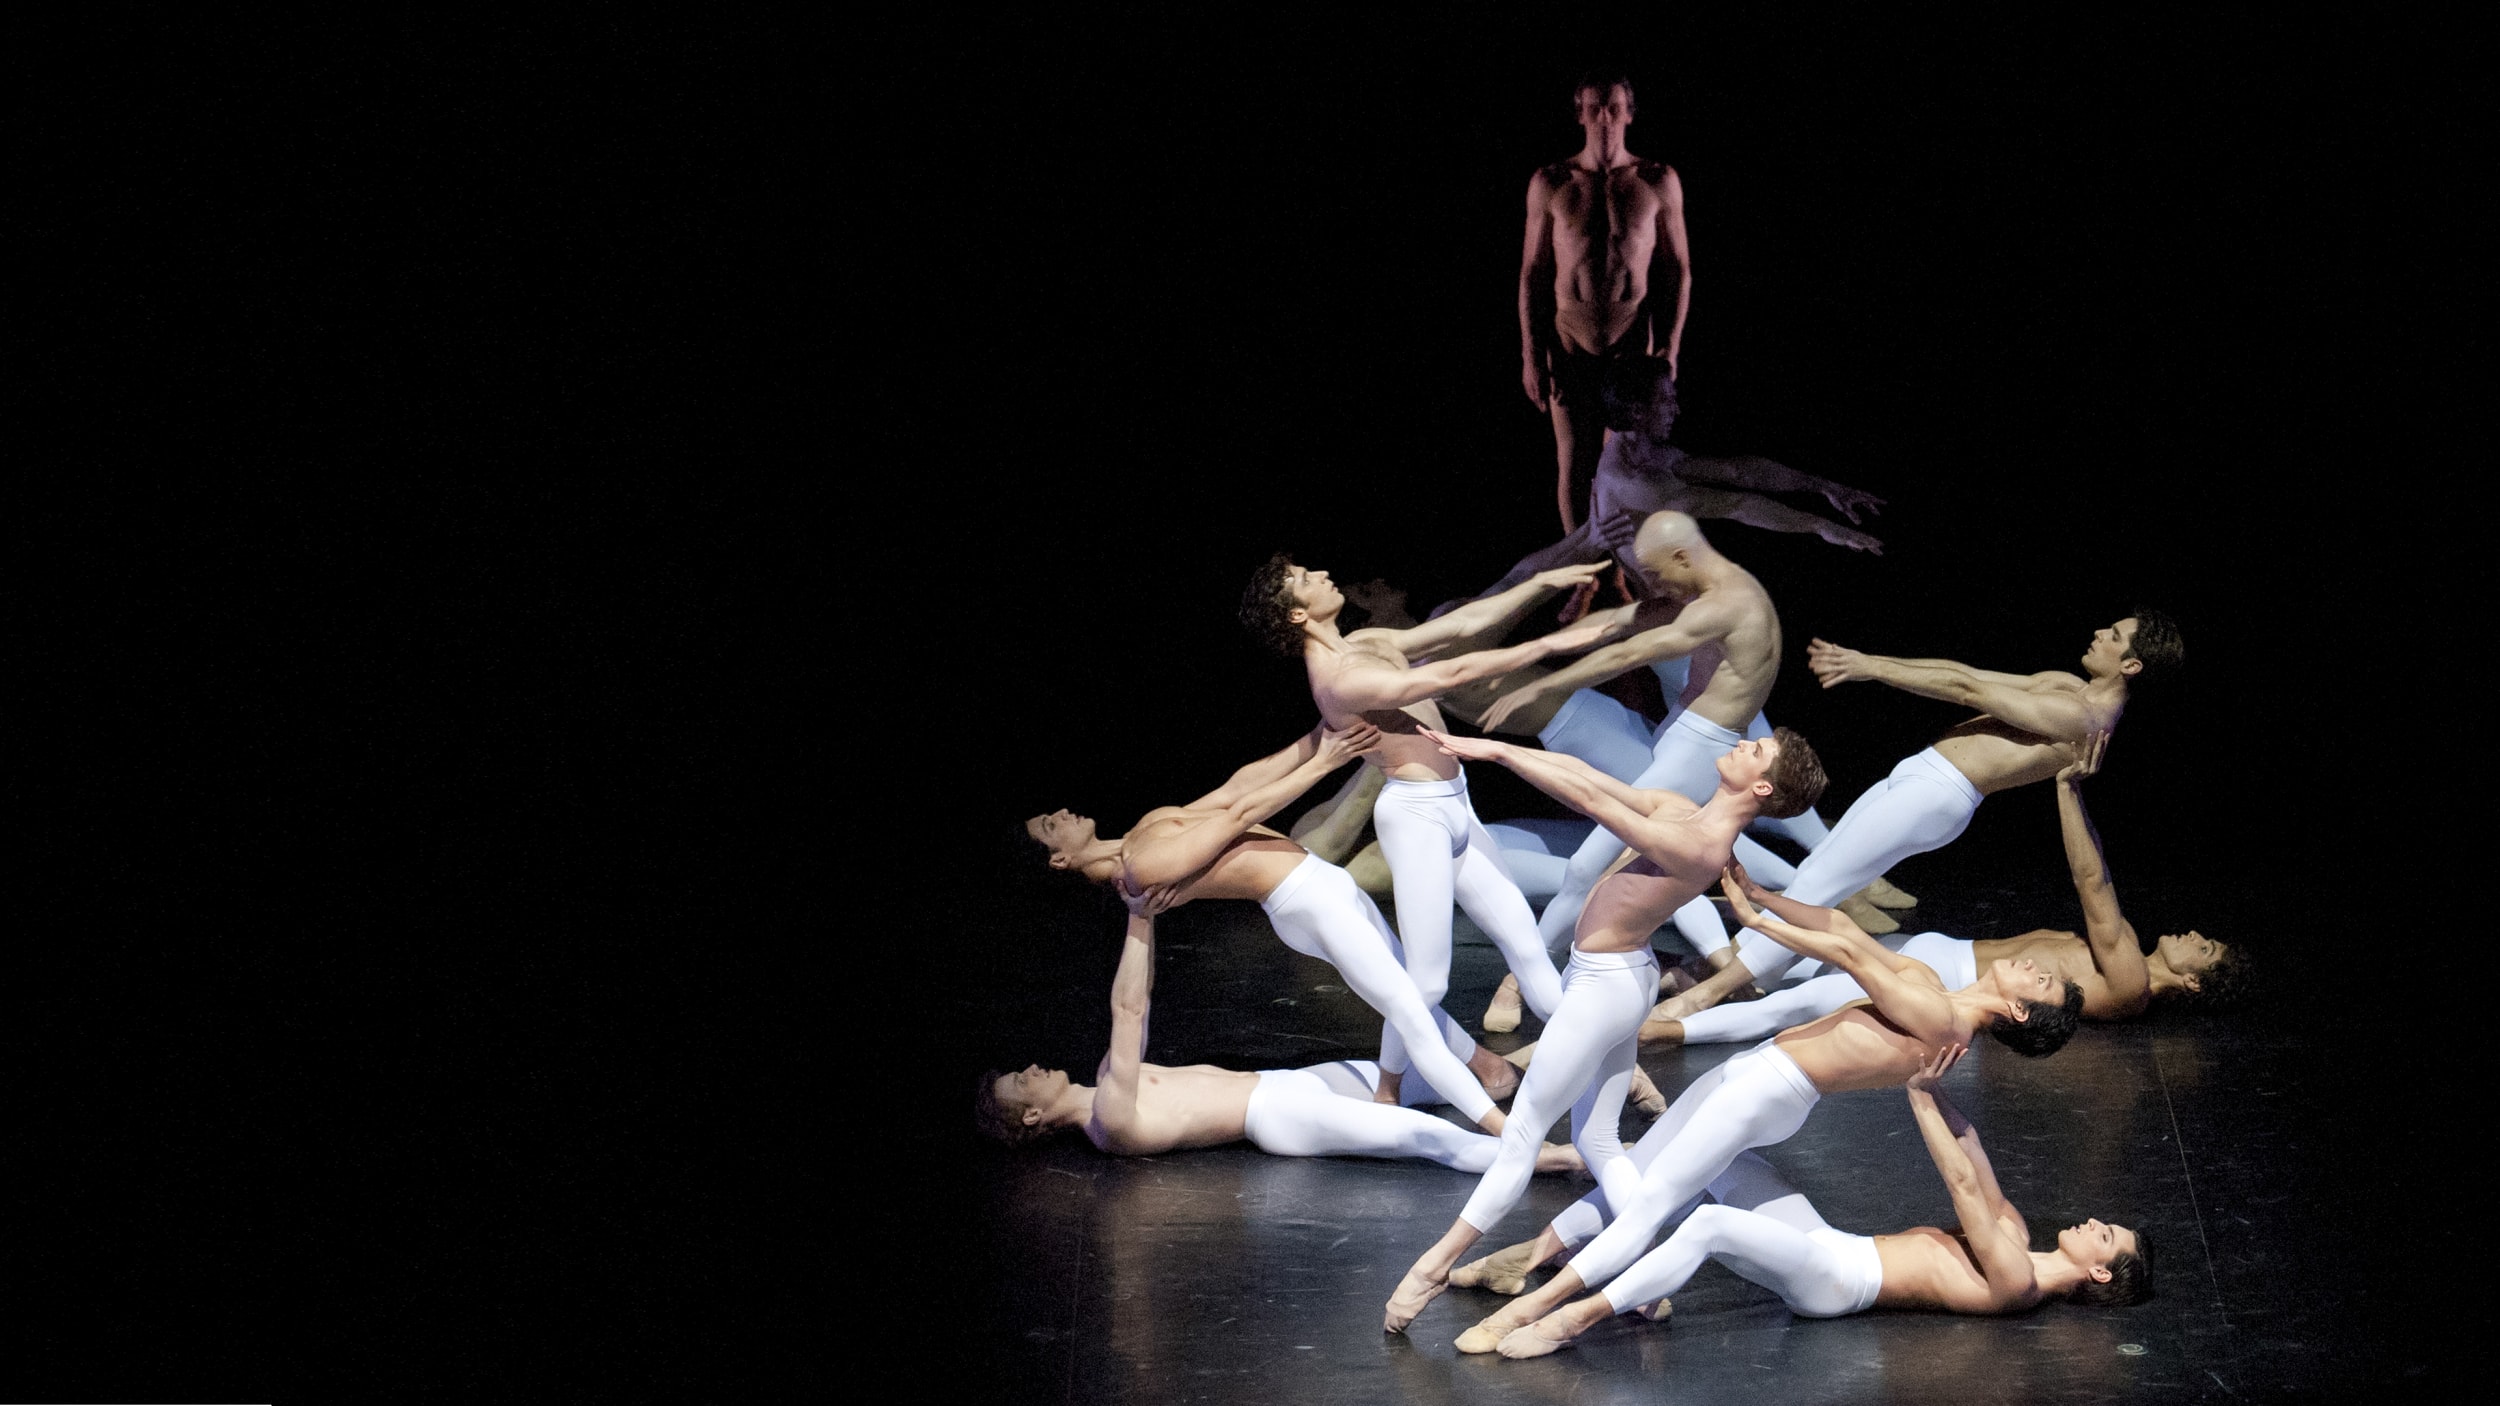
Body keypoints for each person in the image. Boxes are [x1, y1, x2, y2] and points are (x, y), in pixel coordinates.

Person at [1437, 861, 2085, 1348]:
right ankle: (1532, 1258)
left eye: (2043, 981)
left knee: (1656, 1197)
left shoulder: (1948, 1026)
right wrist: (1759, 893)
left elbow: (1848, 960)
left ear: (2022, 1010)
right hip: (1758, 1070)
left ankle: (1537, 1315)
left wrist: (1755, 923)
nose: (2034, 964)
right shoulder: (1937, 987)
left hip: (1774, 1090)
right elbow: (1845, 929)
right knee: (1643, 1164)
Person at [1381, 725, 1826, 1334]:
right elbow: (1591, 778)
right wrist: (1503, 751)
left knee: (1524, 1135)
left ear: (1763, 785)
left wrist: (1500, 752)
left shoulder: (1702, 846)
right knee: (1598, 1141)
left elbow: (1595, 805)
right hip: (1621, 976)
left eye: (1758, 751)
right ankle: (1638, 1271)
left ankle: (1433, 1267)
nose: (1746, 743)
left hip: (1606, 988)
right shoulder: (1685, 813)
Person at [1657, 613, 2186, 1019]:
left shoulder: (2082, 716)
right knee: (1817, 876)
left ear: (2132, 665)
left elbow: (1967, 692)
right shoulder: (2067, 685)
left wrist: (1867, 667)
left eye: (2115, 636)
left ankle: (1705, 995)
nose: (2099, 633)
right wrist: (1869, 661)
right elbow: (1966, 673)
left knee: (1814, 886)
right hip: (1922, 776)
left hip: (1938, 795)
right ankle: (1706, 972)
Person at [1486, 1046, 2152, 1358]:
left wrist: (1916, 1095)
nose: (2094, 1223)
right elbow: (1971, 1148)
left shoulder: (2017, 1284)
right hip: (1831, 1242)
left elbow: (1962, 1187)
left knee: (1713, 1221)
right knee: (1723, 1150)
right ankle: (1592, 1216)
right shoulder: (2018, 1229)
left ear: (2100, 1272)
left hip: (1836, 1282)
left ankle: (1571, 1317)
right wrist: (1936, 1079)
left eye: (2106, 1236)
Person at [1026, 722, 1527, 1131]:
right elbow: (1243, 812)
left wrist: (1317, 737)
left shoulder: (1140, 834)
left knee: (1410, 988)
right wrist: (1324, 761)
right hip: (1307, 903)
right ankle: (1475, 1118)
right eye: (1050, 826)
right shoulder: (1141, 868)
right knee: (1408, 1000)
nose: (1060, 813)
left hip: (1320, 886)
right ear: (1060, 860)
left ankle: (1486, 1068)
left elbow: (1236, 788)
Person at [1243, 555, 1617, 1100]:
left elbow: (1461, 628)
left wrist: (1537, 583)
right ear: (1298, 615)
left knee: (1527, 946)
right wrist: (1551, 647)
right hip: (1415, 816)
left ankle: (1614, 1072)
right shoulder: (1342, 681)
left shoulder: (1367, 642)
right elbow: (1452, 673)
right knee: (1427, 982)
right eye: (1306, 580)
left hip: (1455, 804)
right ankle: (1388, 1089)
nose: (1324, 574)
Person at [1650, 733, 2244, 1047]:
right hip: (1938, 956)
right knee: (1789, 967)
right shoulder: (2127, 974)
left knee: (1789, 1002)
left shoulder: (2131, 982)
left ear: (2191, 981)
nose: (2196, 935)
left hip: (1946, 983)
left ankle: (1666, 1024)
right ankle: (1678, 983)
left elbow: (2093, 884)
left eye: (2205, 949)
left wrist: (2067, 790)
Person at [976, 883, 1584, 1175]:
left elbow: (1142, 1000)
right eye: (1021, 1084)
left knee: (1426, 1072)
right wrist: (1139, 917)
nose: (1032, 1070)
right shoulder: (1107, 1118)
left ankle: (1542, 1075)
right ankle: (1563, 1159)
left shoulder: (1110, 1080)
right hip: (1276, 1116)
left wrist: (1148, 923)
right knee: (1419, 1135)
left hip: (1283, 1079)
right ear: (1033, 1117)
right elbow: (1130, 1010)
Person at [1521, 73, 1689, 532]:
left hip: (1631, 342)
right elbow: (1533, 273)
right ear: (1580, 115)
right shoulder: (1551, 181)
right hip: (1568, 341)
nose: (1605, 116)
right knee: (1574, 463)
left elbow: (1678, 270)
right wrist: (1531, 353)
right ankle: (1585, 578)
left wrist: (1670, 348)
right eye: (1594, 107)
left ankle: (1621, 568)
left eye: (1614, 107)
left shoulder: (1657, 179)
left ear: (1629, 113)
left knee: (1624, 468)